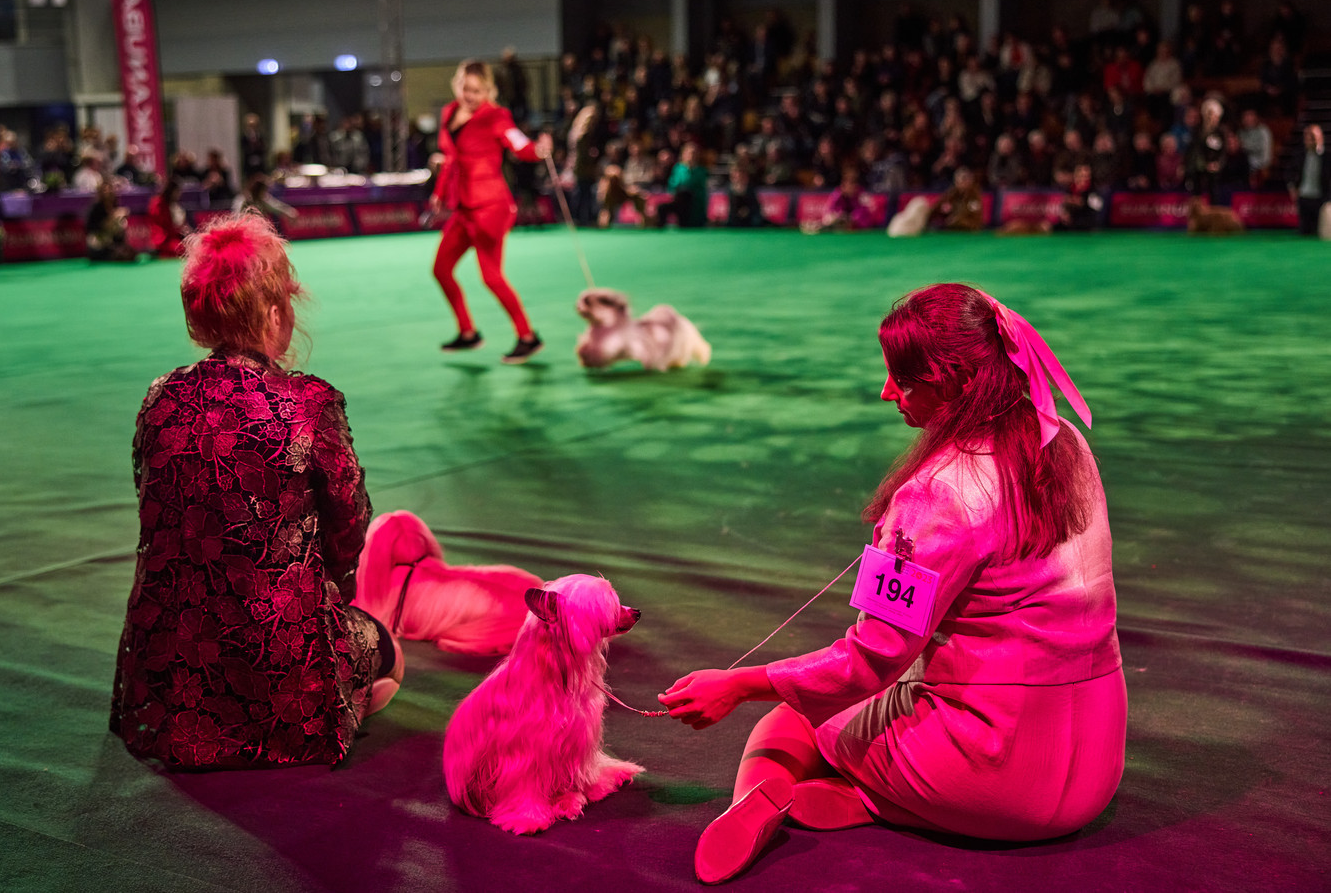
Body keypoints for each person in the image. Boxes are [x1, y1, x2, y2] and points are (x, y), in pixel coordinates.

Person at [659, 283, 1125, 884]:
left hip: (995, 770)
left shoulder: (936, 494)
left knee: (791, 719)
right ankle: (885, 801)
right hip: (1096, 769)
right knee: (906, 688)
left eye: (903, 380)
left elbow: (868, 661)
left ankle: (767, 799)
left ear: (953, 379)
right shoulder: (1066, 443)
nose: (887, 393)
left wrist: (739, 683)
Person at [110, 212, 403, 768]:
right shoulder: (308, 404)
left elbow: (153, 508)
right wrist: (337, 592)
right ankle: (345, 702)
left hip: (171, 675)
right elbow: (349, 526)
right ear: (273, 313)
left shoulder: (160, 397)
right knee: (390, 654)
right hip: (282, 670)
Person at [430, 59, 553, 364]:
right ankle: (468, 333)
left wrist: (537, 150)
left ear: (488, 90)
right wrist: (439, 193)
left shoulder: (496, 116)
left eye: (478, 90)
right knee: (442, 270)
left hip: (491, 207)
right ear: (458, 86)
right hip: (462, 208)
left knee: (491, 276)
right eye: (466, 89)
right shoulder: (448, 113)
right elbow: (450, 159)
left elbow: (518, 144)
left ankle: (527, 336)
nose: (471, 96)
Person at [1290, 124, 1329, 236]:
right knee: (1304, 232)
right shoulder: (1299, 156)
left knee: (1320, 232)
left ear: (1320, 137)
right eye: (1307, 137)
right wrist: (1292, 187)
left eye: (1312, 137)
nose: (1309, 140)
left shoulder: (1327, 157)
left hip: (1321, 199)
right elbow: (1290, 172)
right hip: (1304, 198)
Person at [85, 181, 137, 262]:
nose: (108, 193)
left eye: (110, 190)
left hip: (113, 243)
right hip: (99, 244)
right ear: (101, 192)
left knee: (131, 254)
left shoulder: (115, 206)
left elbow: (119, 233)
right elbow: (90, 228)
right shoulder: (96, 208)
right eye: (105, 190)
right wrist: (110, 219)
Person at [147, 177, 191, 258]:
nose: (179, 195)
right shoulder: (157, 203)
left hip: (171, 236)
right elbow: (161, 226)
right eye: (177, 192)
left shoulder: (171, 205)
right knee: (181, 249)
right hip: (162, 239)